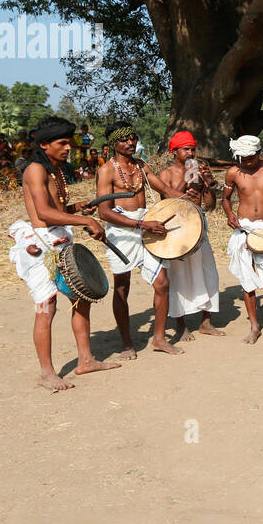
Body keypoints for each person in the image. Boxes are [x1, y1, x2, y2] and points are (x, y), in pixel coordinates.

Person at [7, 116, 119, 391]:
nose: (69, 147)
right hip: (43, 246)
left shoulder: (55, 169)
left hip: (59, 240)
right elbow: (43, 214)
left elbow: (57, 211)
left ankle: (86, 360)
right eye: (63, 143)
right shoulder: (35, 169)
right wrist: (87, 222)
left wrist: (78, 208)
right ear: (45, 144)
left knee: (81, 299)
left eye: (69, 142)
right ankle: (47, 373)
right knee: (47, 308)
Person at [96, 122, 182, 358]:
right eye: (125, 139)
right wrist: (141, 224)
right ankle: (126, 344)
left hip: (147, 226)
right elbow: (104, 212)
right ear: (115, 143)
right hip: (122, 231)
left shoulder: (141, 166)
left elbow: (165, 188)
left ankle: (159, 338)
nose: (131, 143)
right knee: (122, 286)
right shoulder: (106, 170)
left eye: (133, 138)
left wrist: (187, 198)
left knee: (162, 283)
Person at [157, 130, 225, 340]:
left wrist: (207, 185)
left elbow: (210, 205)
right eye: (186, 149)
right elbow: (168, 202)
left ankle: (206, 321)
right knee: (178, 274)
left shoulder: (199, 169)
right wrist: (187, 180)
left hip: (198, 224)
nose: (191, 153)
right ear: (174, 151)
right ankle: (181, 324)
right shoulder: (165, 174)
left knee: (207, 271)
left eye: (193, 149)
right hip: (176, 227)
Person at [220, 134, 263, 344]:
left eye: (249, 157)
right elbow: (225, 199)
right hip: (244, 228)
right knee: (246, 280)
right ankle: (254, 327)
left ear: (259, 153)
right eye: (242, 158)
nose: (245, 162)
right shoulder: (233, 173)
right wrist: (230, 215)